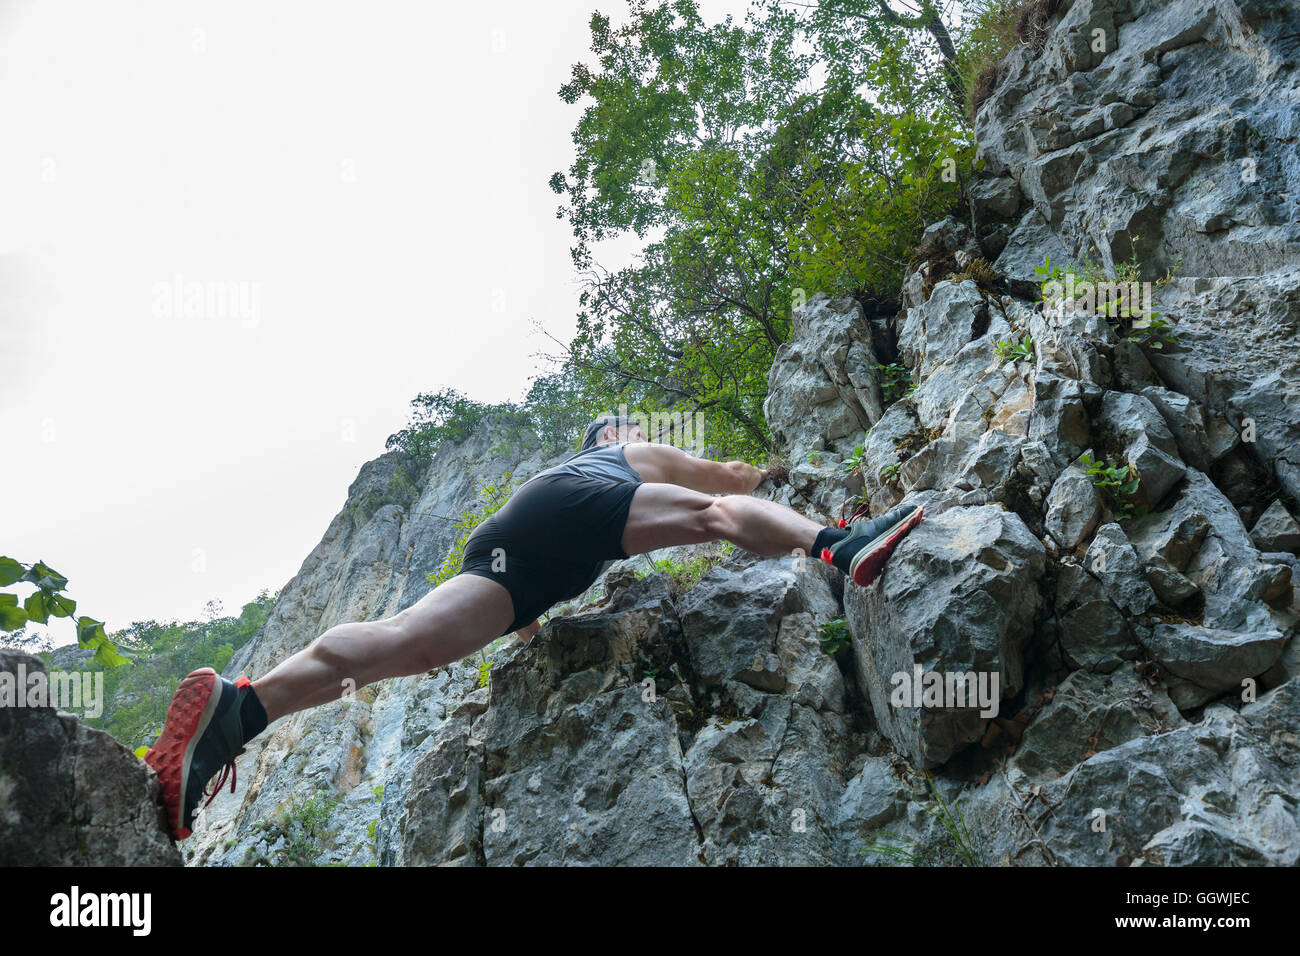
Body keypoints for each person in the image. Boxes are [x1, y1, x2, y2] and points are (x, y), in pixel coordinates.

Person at [145, 414, 923, 839]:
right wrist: (762, 473)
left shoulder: (558, 472)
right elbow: (720, 484)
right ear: (612, 433)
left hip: (509, 554)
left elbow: (539, 583)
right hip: (577, 520)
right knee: (715, 514)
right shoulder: (622, 454)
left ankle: (242, 712)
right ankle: (838, 540)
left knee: (409, 643)